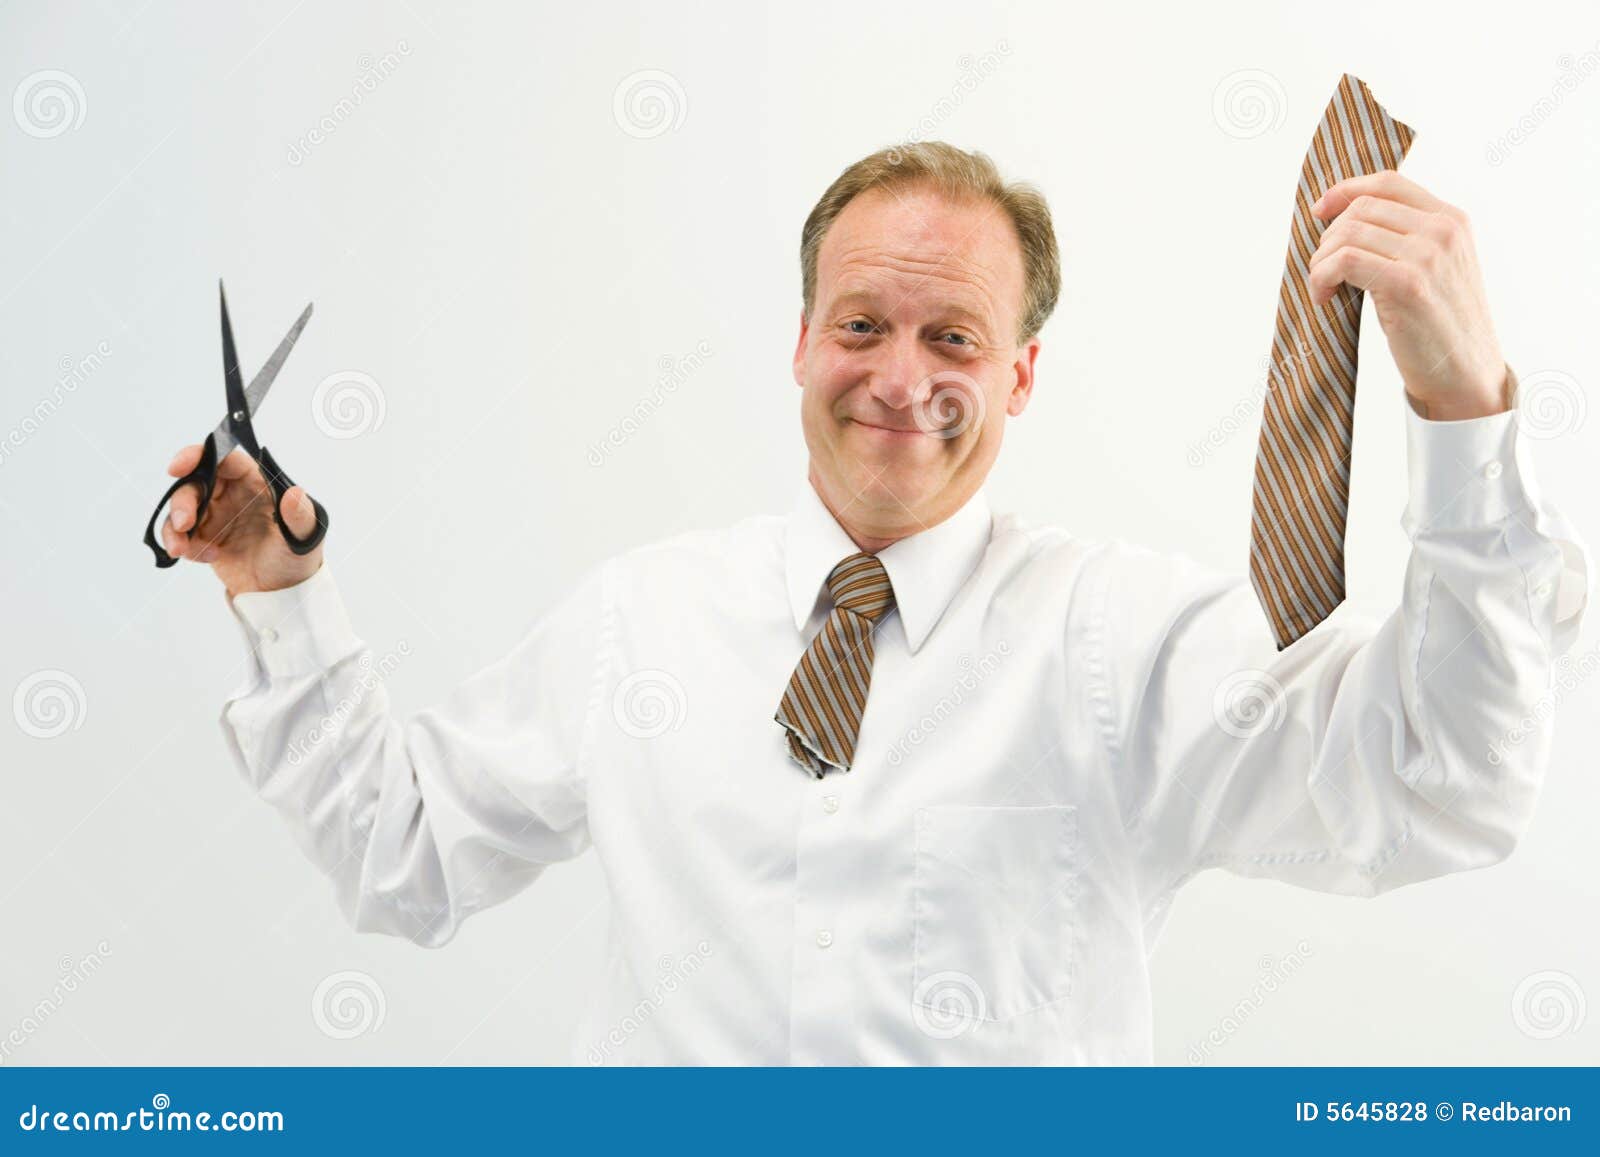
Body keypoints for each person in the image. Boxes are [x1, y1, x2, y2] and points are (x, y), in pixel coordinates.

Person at [157, 142, 1588, 1064]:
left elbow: (1440, 787)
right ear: (799, 344)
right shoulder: (639, 623)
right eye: (862, 325)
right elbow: (398, 858)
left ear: (1022, 375)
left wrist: (1461, 410)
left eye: (954, 335)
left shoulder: (1128, 640)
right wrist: (281, 597)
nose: (902, 378)